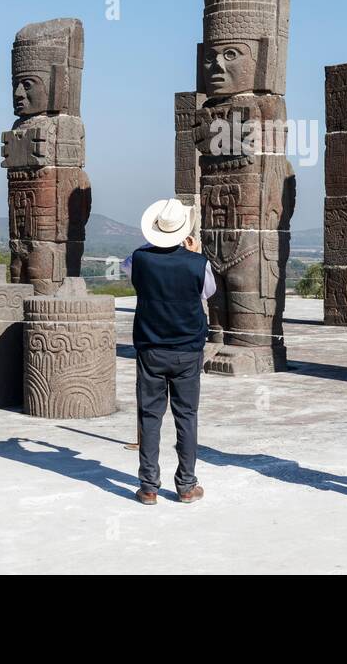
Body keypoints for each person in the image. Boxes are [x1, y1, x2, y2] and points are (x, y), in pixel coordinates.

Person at [122, 198, 216, 505]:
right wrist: (193, 256)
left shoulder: (139, 259)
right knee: (186, 416)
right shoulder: (197, 263)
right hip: (187, 349)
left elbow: (129, 270)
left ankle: (149, 486)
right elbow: (207, 291)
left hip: (151, 346)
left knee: (150, 416)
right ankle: (186, 485)